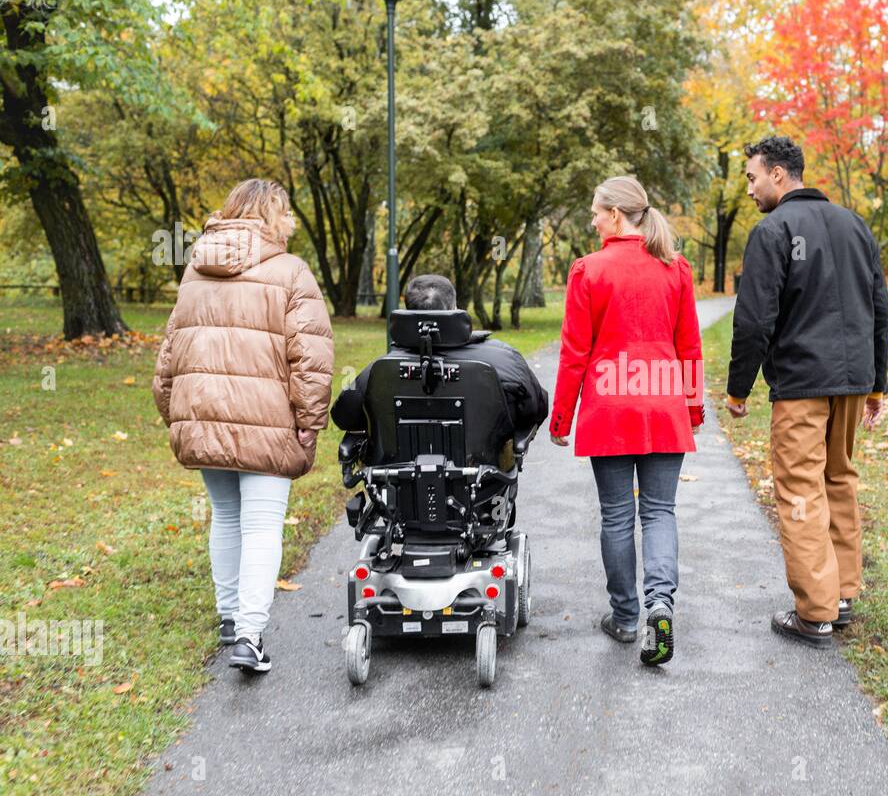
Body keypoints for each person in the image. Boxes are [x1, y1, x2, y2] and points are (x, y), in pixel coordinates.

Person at [152, 179, 334, 674]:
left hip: (204, 416)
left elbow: (170, 350)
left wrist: (172, 408)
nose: (292, 221)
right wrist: (310, 421)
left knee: (226, 518)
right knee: (260, 525)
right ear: (273, 217)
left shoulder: (194, 270)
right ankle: (249, 635)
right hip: (266, 423)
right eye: (287, 212)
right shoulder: (292, 272)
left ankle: (231, 619)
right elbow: (311, 359)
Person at [725, 136, 888, 650]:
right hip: (852, 381)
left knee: (799, 490)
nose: (749, 190)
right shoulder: (854, 225)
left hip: (801, 385)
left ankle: (814, 613)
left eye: (753, 178)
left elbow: (754, 318)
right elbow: (879, 306)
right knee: (837, 480)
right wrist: (876, 384)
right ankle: (839, 594)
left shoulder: (773, 230)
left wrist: (737, 389)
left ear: (779, 174)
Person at [550, 175, 703, 667]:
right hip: (663, 406)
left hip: (609, 409)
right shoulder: (675, 268)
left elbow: (575, 353)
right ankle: (661, 603)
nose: (592, 221)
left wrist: (561, 417)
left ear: (616, 214)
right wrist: (694, 408)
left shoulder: (588, 270)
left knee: (617, 515)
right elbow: (689, 347)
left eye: (596, 212)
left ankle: (625, 617)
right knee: (659, 512)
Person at [330, 274, 548, 460]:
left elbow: (344, 416)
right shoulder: (503, 359)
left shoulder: (379, 370)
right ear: (455, 309)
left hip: (398, 492)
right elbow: (535, 408)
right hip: (482, 485)